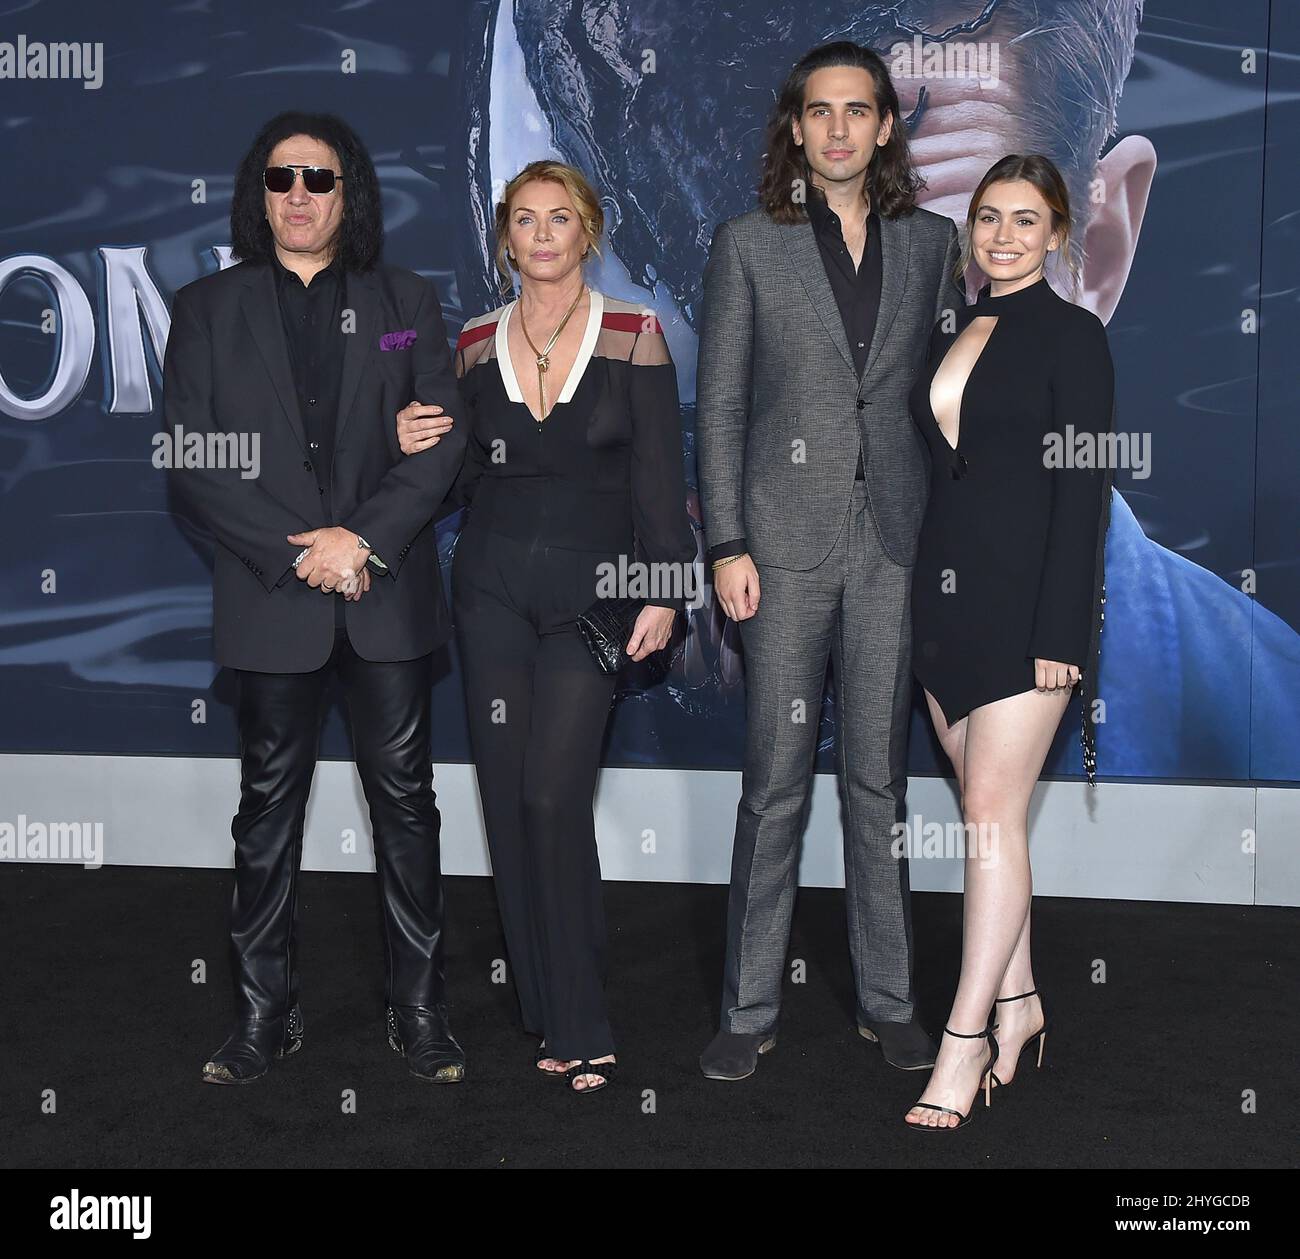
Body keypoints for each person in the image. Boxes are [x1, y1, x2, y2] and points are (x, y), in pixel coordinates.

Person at [164, 111, 470, 1086]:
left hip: (382, 594)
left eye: (319, 179)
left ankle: (419, 1015)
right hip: (274, 596)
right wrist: (298, 551)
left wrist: (363, 540)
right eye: (282, 178)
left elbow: (442, 437)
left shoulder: (405, 299)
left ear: (351, 194)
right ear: (259, 194)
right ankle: (262, 1017)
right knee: (265, 812)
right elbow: (192, 458)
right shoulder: (206, 307)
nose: (299, 196)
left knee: (407, 809)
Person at [694, 41, 965, 1081]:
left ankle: (888, 1000)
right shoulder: (748, 245)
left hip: (894, 541)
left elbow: (948, 402)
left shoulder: (934, 243)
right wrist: (726, 543)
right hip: (780, 545)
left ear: (886, 127)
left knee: (879, 782)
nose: (840, 128)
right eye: (821, 111)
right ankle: (748, 1006)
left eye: (860, 111)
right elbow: (718, 410)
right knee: (772, 784)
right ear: (796, 128)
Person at [395, 161, 695, 1093]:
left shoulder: (638, 336)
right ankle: (542, 1000)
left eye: (559, 217)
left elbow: (657, 479)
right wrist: (404, 428)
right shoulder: (474, 344)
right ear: (505, 239)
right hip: (488, 590)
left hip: (595, 598)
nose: (542, 233)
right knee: (504, 796)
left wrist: (664, 589)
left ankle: (582, 1018)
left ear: (588, 230)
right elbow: (459, 473)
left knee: (551, 797)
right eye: (524, 220)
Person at [903, 153, 1114, 1129]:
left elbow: (1083, 496)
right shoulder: (949, 327)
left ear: (1059, 232)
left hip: (1031, 616)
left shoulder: (1076, 339)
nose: (1002, 236)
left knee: (987, 815)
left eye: (1025, 220)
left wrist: (1061, 634)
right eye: (988, 217)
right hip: (946, 606)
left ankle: (964, 1039)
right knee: (993, 819)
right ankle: (1023, 1001)